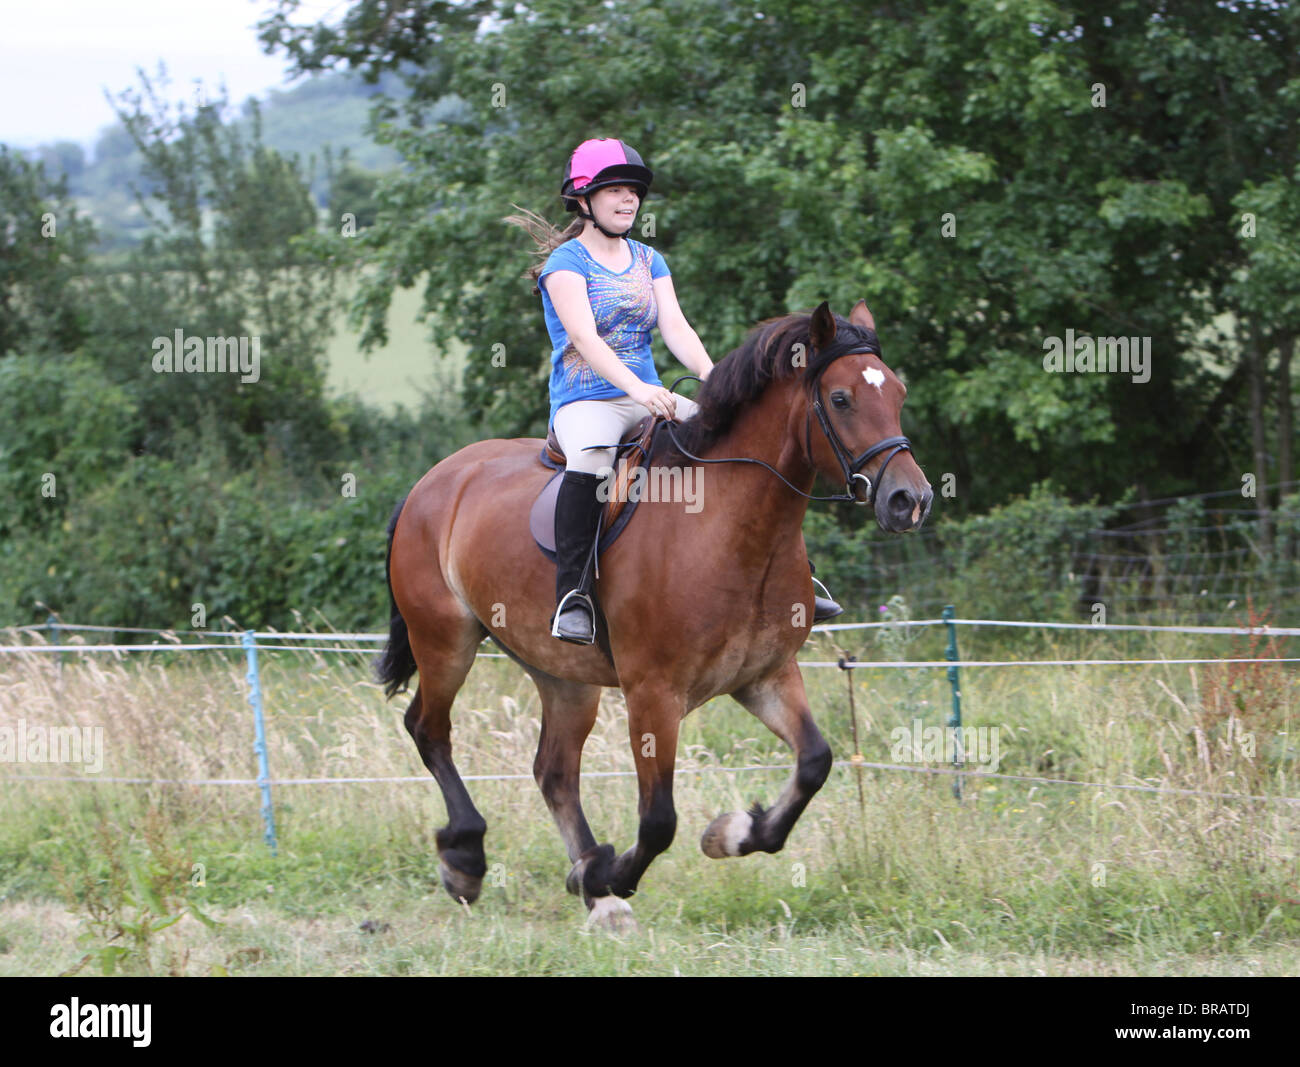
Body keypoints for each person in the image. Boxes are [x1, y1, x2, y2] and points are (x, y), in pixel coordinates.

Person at [507, 137, 842, 645]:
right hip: (586, 400)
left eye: (633, 192)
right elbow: (585, 339)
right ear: (583, 200)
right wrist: (640, 389)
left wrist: (713, 375)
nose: (627, 201)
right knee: (593, 462)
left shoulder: (649, 259)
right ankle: (573, 595)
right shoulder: (565, 265)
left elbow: (677, 329)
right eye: (614, 191)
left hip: (650, 395)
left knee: (744, 443)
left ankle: (796, 573)